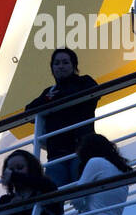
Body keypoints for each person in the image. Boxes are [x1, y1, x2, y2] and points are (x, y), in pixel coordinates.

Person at [26, 48, 99, 188]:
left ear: (74, 66)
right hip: (56, 155)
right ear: (52, 68)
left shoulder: (84, 82)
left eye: (65, 62)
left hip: (81, 149)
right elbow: (29, 111)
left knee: (84, 193)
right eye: (57, 63)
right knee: (53, 200)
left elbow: (93, 93)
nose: (61, 66)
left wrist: (53, 100)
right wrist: (48, 99)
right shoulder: (49, 92)